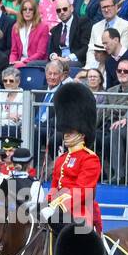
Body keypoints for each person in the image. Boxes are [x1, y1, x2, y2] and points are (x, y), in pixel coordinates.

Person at [44, 82, 103, 235]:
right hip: (57, 212)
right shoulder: (61, 159)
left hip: (79, 213)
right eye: (65, 131)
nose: (66, 134)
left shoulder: (90, 159)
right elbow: (54, 186)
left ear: (82, 133)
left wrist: (58, 207)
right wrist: (49, 204)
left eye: (71, 131)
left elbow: (83, 191)